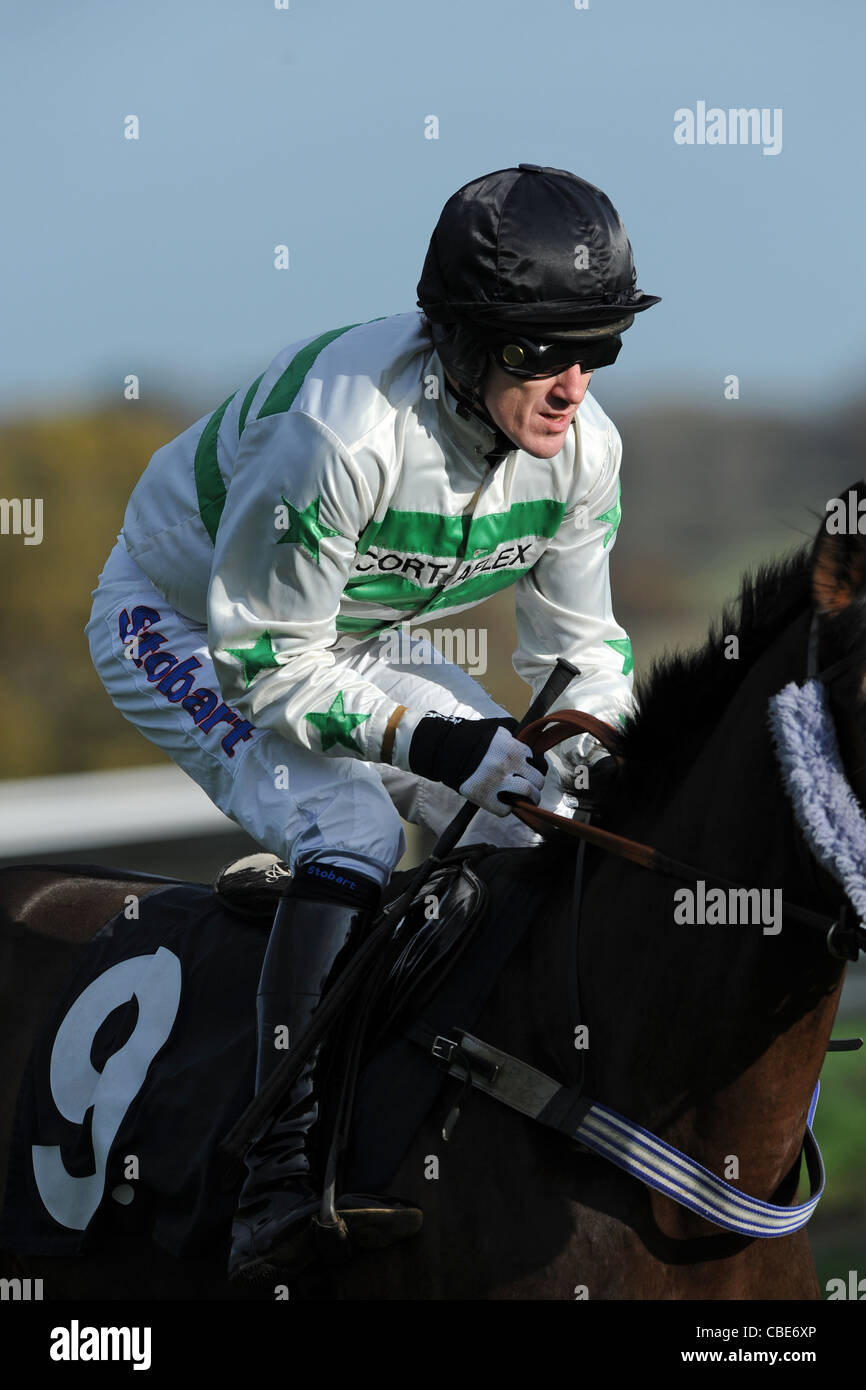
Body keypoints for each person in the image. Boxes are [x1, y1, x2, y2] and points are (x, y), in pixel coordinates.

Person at [85, 163, 659, 1281]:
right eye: (537, 352)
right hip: (195, 623)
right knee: (346, 823)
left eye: (597, 347)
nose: (571, 386)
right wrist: (432, 742)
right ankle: (278, 1167)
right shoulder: (339, 436)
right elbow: (267, 663)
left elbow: (581, 649)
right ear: (456, 343)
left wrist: (588, 753)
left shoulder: (587, 454)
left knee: (528, 815)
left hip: (341, 631)